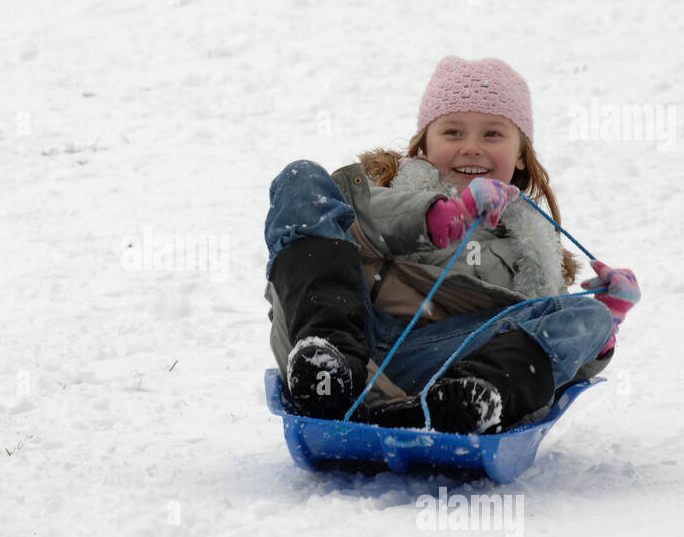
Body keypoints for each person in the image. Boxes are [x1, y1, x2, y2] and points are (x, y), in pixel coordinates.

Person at [264, 56, 641, 434]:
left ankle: (466, 400)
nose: (472, 148)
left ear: (522, 155)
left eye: (492, 134)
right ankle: (329, 367)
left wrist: (609, 320)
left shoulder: (532, 255)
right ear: (424, 147)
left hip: (438, 364)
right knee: (301, 179)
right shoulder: (388, 196)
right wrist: (444, 216)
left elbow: (561, 364)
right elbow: (349, 222)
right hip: (340, 335)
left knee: (588, 318)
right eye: (453, 133)